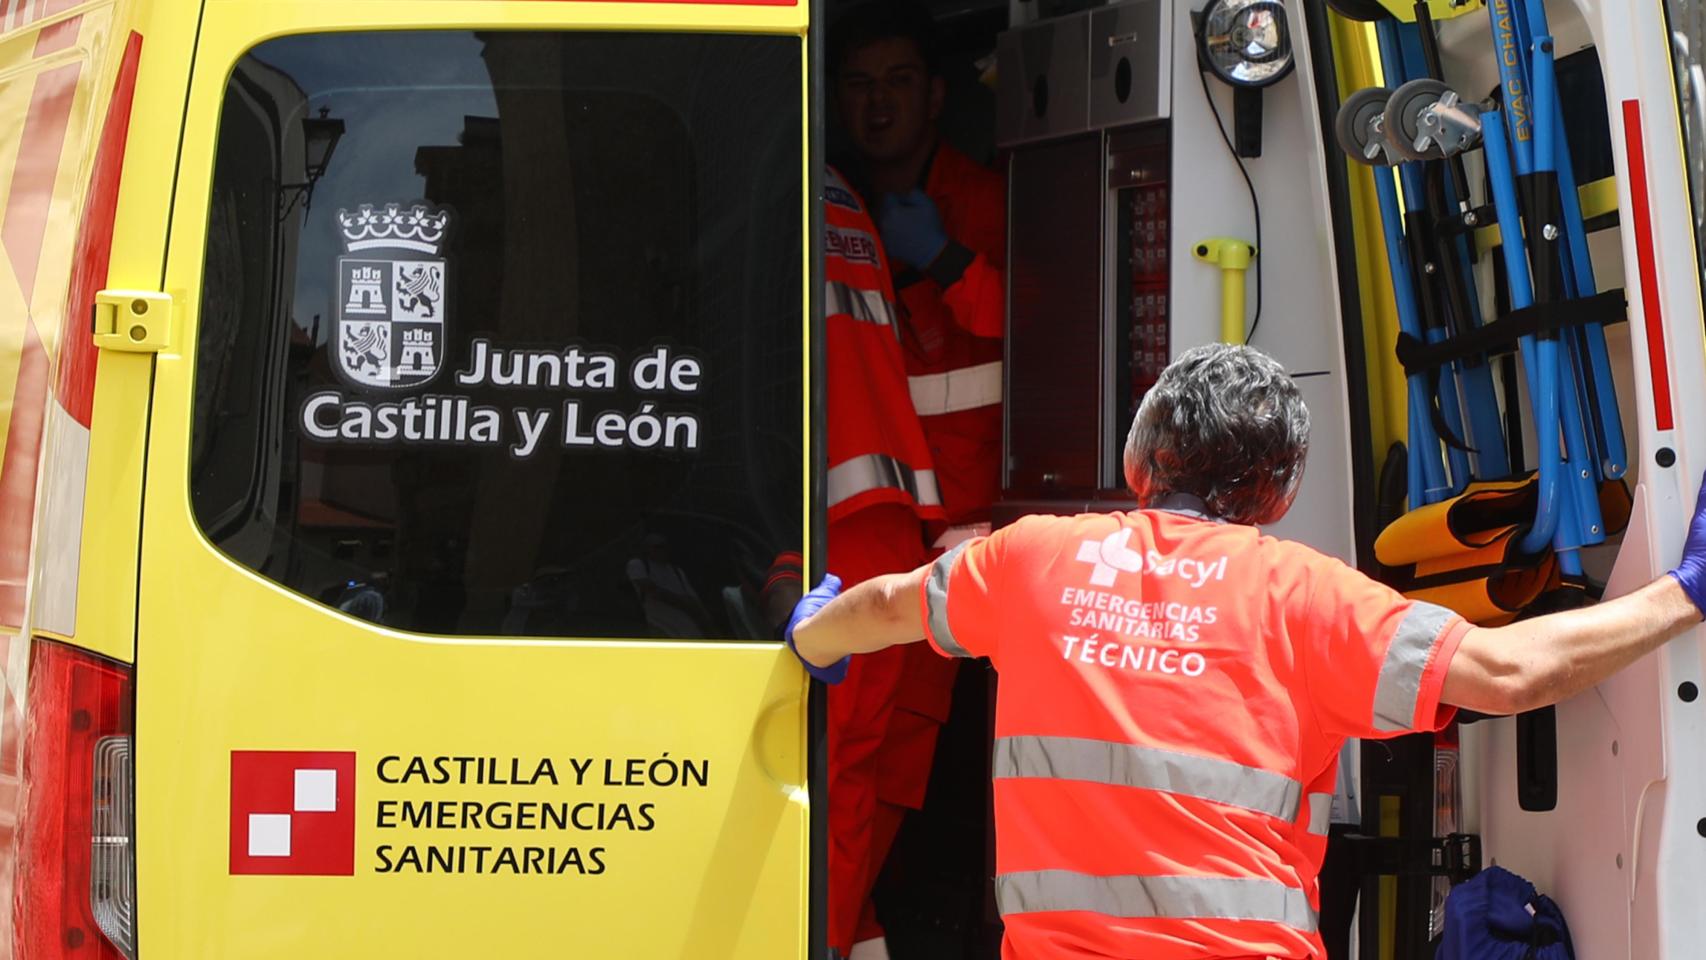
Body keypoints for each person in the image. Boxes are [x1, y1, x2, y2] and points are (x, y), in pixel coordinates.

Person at [787, 342, 1706, 960]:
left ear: (1140, 464)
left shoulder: (1033, 558)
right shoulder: (1306, 596)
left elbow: (882, 607)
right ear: (1275, 495)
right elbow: (1508, 673)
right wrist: (1683, 594)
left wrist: (811, 634)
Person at [832, 7, 1007, 952]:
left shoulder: (984, 203)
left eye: (898, 81)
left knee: (895, 764)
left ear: (936, 96)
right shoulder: (828, 208)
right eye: (860, 85)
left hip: (967, 537)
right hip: (882, 536)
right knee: (873, 762)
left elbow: (1052, 334)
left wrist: (945, 260)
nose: (880, 103)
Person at [818, 164, 947, 960]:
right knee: (848, 782)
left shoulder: (773, 171)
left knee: (827, 779)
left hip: (827, 529)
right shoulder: (834, 192)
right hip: (879, 518)